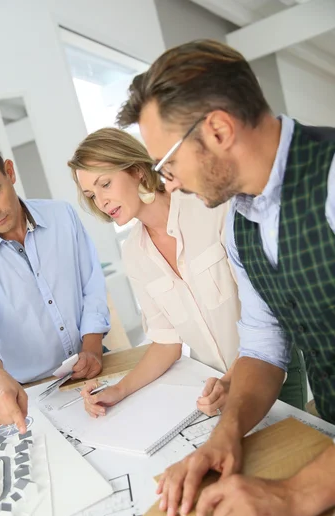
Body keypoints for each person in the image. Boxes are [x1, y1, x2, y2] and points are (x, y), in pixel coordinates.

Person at [116, 39, 335, 516]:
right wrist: (226, 434)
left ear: (217, 129)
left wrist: (297, 494)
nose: (166, 184)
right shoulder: (240, 221)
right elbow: (263, 348)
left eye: (166, 164)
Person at [68, 127, 303, 418]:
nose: (101, 201)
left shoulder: (209, 206)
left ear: (138, 171)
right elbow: (167, 343)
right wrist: (118, 390)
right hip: (216, 389)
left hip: (272, 368)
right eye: (91, 195)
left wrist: (234, 380)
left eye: (105, 184)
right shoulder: (134, 254)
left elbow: (268, 304)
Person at [0, 136, 110, 433]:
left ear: (9, 171)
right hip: (29, 394)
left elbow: (91, 285)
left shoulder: (63, 217)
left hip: (95, 363)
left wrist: (93, 348)